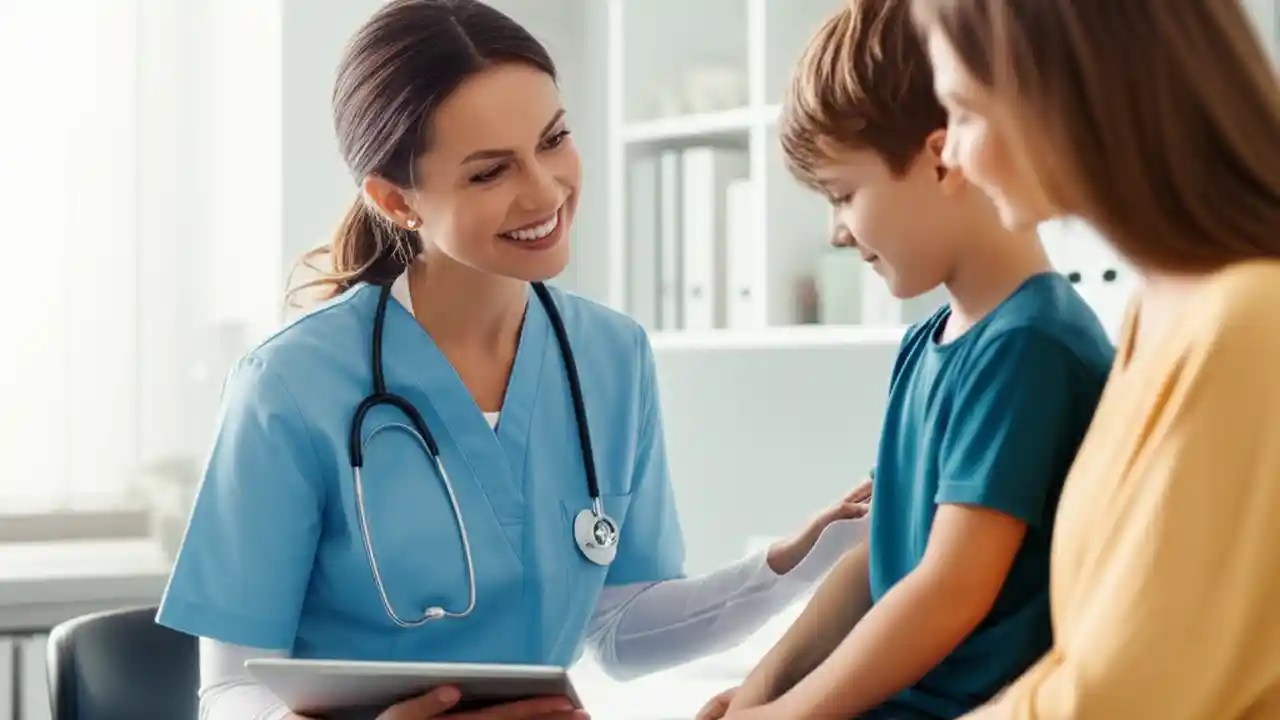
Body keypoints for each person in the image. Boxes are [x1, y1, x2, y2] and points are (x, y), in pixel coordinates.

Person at [153, 2, 873, 718]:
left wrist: (797, 560)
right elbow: (227, 690)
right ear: (395, 200)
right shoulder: (291, 385)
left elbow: (621, 633)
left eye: (553, 139)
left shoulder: (611, 357)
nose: (545, 190)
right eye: (490, 172)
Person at [699, 1, 1114, 717]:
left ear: (939, 158)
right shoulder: (927, 344)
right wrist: (758, 694)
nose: (836, 233)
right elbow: (881, 563)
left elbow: (946, 590)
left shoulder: (1030, 347)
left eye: (844, 195)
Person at [910, 0, 1280, 717]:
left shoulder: (1249, 322)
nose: (950, 153)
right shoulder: (1155, 309)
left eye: (964, 111)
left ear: (1064, 97)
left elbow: (1116, 697)